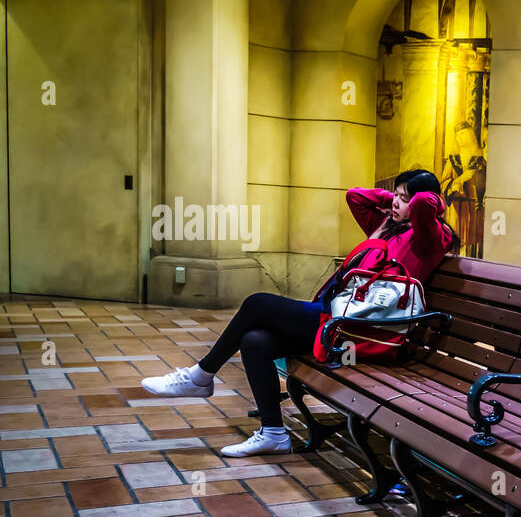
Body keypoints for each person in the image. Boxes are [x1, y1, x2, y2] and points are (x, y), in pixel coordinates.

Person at [141, 170, 456, 456]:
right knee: (255, 341)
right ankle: (274, 434)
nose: (398, 203)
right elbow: (355, 196)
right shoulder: (387, 227)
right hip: (340, 317)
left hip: (361, 329)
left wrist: (417, 198)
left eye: (404, 198)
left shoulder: (429, 238)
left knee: (257, 304)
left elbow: (426, 207)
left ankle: (201, 375)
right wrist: (393, 199)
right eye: (396, 196)